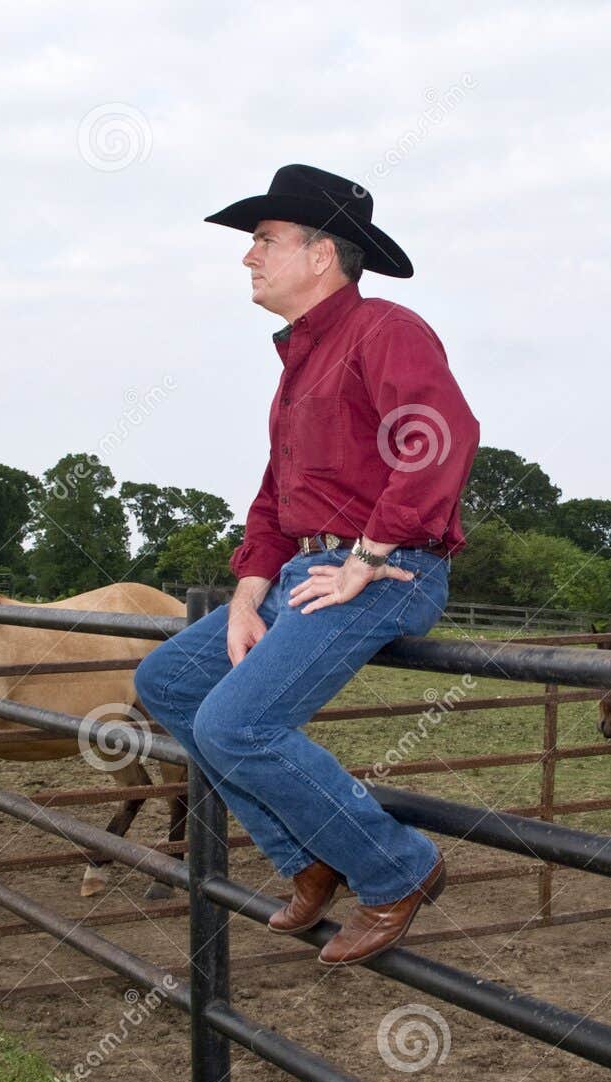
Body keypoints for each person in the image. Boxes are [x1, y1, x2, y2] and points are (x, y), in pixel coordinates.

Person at [134, 163, 480, 966]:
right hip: (302, 578)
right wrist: (250, 593)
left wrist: (367, 554)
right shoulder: (301, 360)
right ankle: (309, 856)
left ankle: (399, 866)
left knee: (235, 722)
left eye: (263, 240)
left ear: (322, 255)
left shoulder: (387, 329)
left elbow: (443, 437)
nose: (247, 257)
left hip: (390, 573)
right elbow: (276, 492)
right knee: (171, 683)